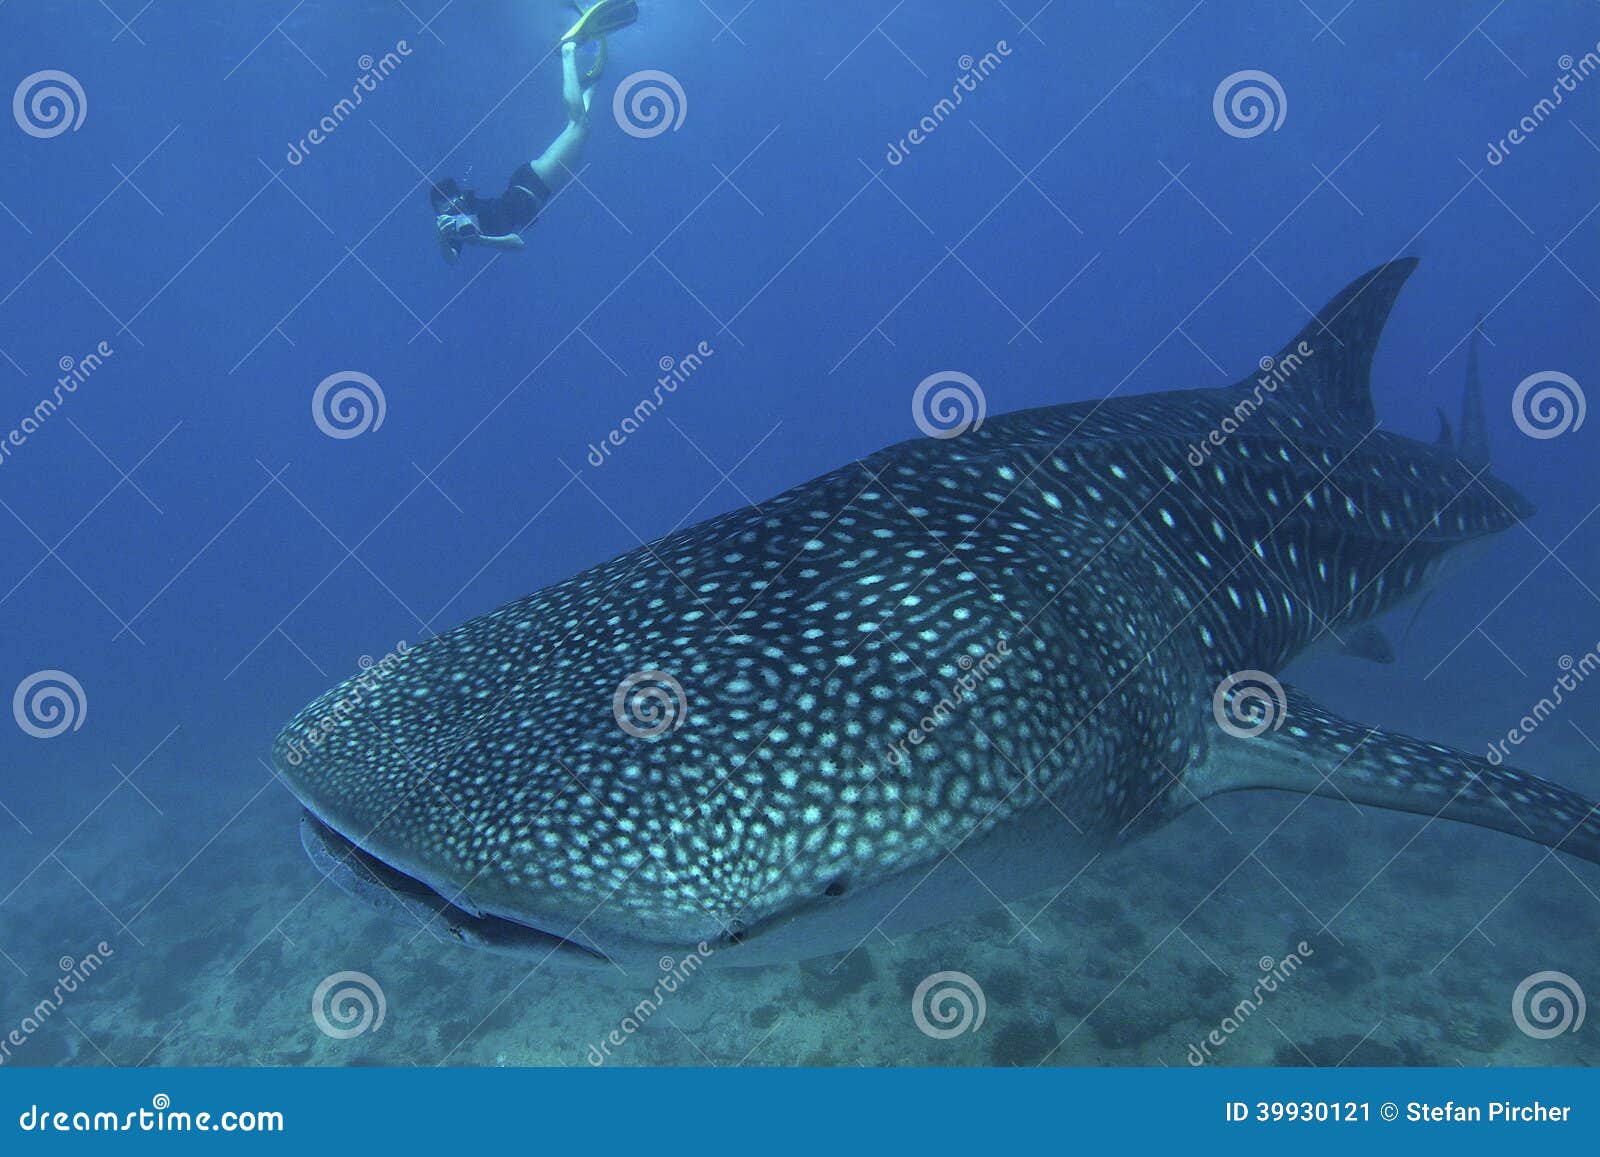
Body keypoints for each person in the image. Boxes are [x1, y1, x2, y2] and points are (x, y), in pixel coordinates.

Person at [430, 0, 639, 263]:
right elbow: (453, 259)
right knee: (579, 128)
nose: (455, 207)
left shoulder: (466, 210)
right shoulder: (455, 232)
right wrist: (448, 239)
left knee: (579, 127)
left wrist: (478, 238)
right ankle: (589, 84)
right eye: (447, 208)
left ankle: (568, 51)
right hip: (535, 188)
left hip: (532, 184)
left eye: (453, 201)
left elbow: (518, 243)